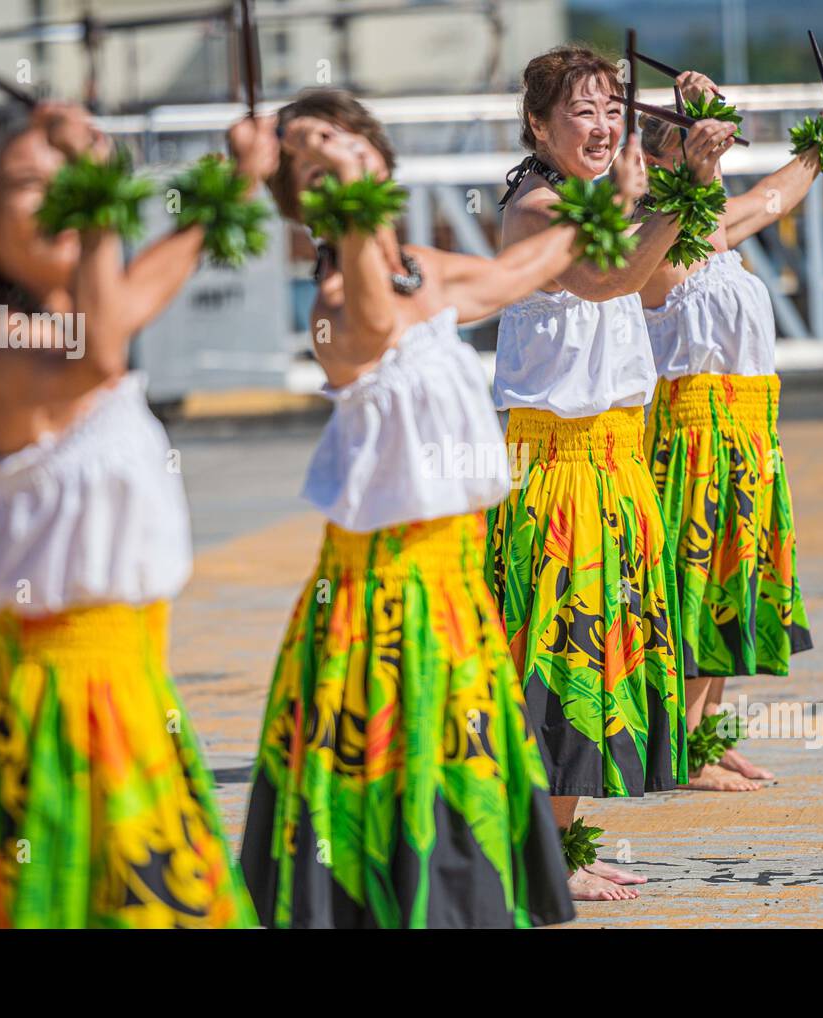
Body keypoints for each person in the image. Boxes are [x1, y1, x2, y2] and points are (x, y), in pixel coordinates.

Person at [240, 87, 645, 927]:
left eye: (347, 150)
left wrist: (622, 200)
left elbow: (515, 274)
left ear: (381, 159)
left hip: (455, 593)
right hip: (379, 601)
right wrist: (339, 187)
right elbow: (375, 320)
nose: (336, 169)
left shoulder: (423, 268)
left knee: (464, 807)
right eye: (312, 172)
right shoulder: (336, 303)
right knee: (384, 817)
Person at [0, 100, 277, 927]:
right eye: (30, 183)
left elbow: (144, 288)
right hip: (56, 707)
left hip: (132, 693)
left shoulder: (89, 320)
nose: (57, 195)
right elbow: (106, 344)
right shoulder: (6, 348)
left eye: (68, 180)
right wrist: (98, 184)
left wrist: (239, 179)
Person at [489, 44, 738, 900]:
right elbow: (611, 279)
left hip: (616, 459)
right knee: (554, 658)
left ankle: (559, 841)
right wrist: (681, 180)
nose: (600, 128)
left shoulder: (603, 192)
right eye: (580, 112)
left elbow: (665, 275)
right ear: (537, 124)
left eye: (610, 110)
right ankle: (541, 858)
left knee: (595, 661)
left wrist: (689, 158)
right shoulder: (538, 207)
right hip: (556, 467)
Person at [639, 89, 823, 788]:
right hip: (695, 434)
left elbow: (770, 199)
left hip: (750, 429)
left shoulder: (717, 230)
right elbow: (698, 231)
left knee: (735, 580)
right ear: (653, 161)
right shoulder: (650, 238)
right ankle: (686, 749)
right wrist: (701, 172)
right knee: (696, 586)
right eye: (689, 146)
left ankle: (707, 735)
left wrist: (820, 148)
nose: (710, 155)